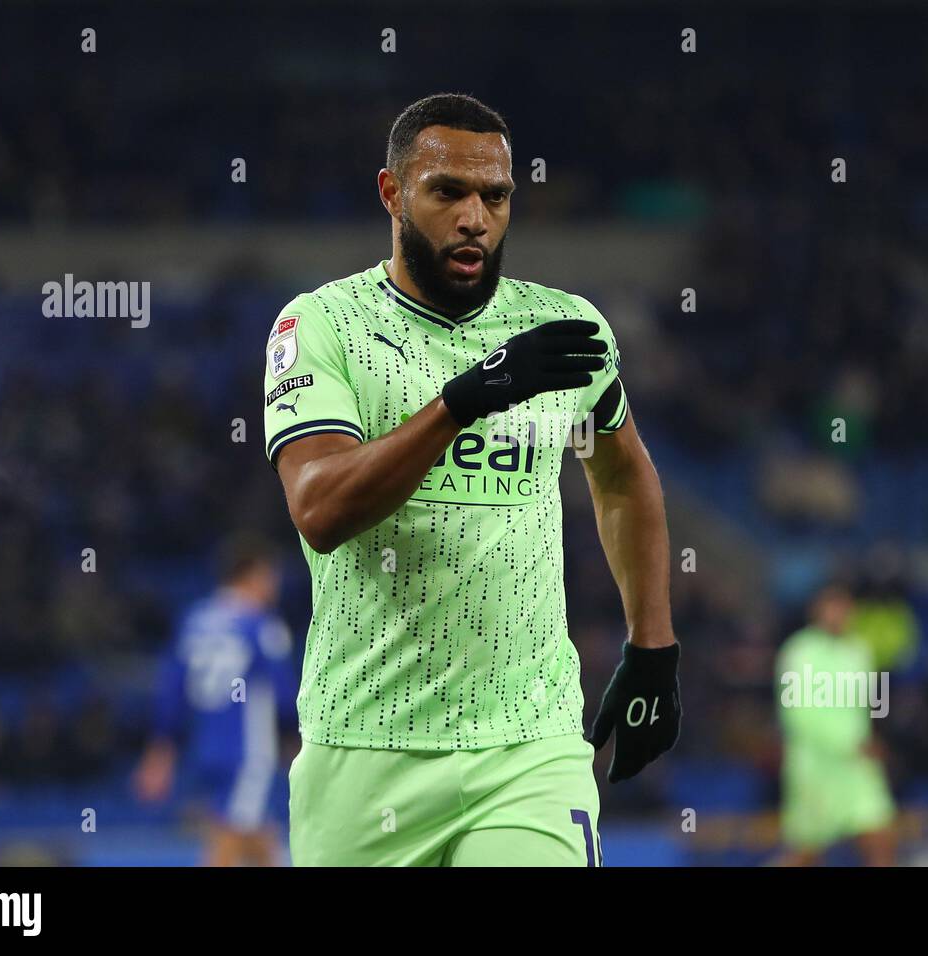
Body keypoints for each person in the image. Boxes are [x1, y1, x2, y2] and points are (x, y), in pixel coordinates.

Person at [263, 93, 681, 866]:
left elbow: (623, 476)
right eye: (447, 192)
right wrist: (462, 401)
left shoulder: (565, 332)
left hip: (530, 750)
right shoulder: (322, 325)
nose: (474, 218)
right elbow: (318, 508)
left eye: (495, 197)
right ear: (392, 193)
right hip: (365, 749)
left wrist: (653, 645)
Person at [134, 535, 297, 866]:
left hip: (206, 747)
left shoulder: (194, 621)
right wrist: (295, 738)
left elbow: (172, 690)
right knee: (230, 837)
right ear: (254, 575)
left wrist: (161, 749)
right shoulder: (261, 625)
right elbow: (283, 695)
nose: (274, 584)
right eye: (270, 575)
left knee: (255, 833)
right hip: (248, 751)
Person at [775, 582, 896, 865]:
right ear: (817, 611)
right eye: (832, 607)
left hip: (857, 768)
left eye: (844, 608)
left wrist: (873, 740)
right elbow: (797, 714)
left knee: (881, 837)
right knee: (806, 854)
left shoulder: (860, 651)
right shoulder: (798, 651)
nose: (839, 614)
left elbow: (870, 706)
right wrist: (848, 743)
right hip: (814, 767)